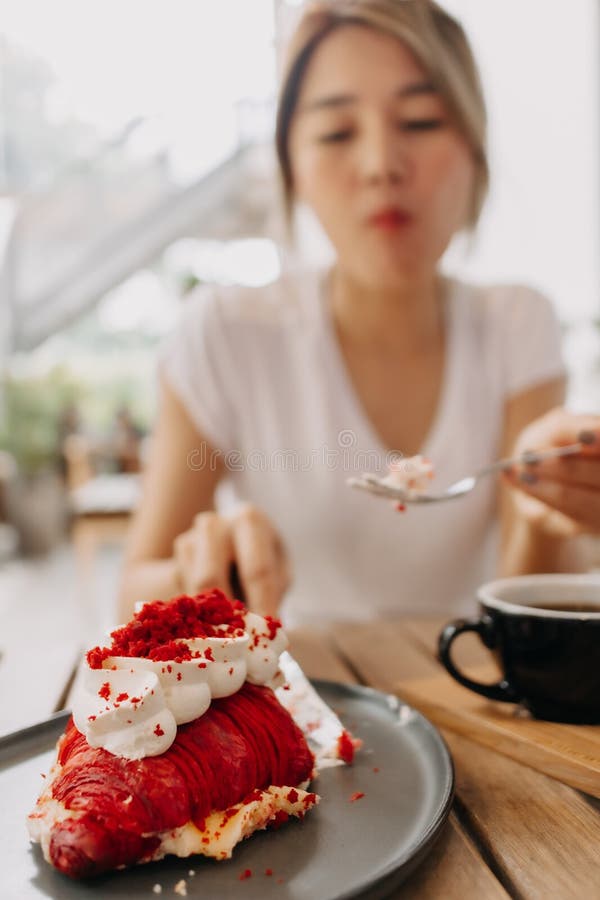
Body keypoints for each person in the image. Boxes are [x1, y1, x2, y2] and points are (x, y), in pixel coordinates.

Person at [119, 0, 600, 626]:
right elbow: (134, 584)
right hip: (297, 699)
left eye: (422, 120)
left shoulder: (516, 324)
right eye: (337, 132)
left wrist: (547, 517)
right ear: (294, 166)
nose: (381, 166)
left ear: (475, 145)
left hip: (465, 693)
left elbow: (527, 597)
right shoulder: (228, 335)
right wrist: (199, 572)